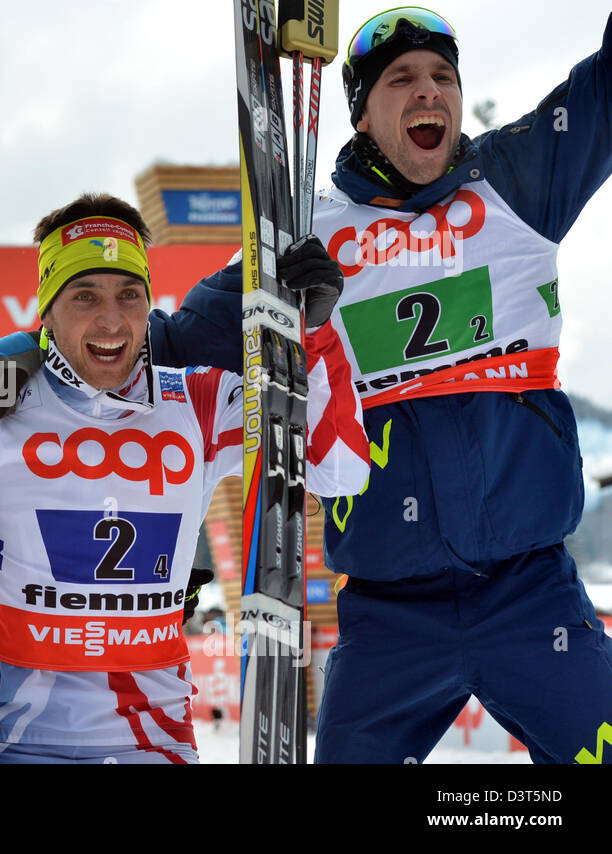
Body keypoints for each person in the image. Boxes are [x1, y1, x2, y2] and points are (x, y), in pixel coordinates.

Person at [153, 7, 612, 764]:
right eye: (401, 80)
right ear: (364, 115)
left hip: (533, 596)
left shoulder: (523, 180)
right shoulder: (307, 236)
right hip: (390, 619)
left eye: (442, 77)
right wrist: (23, 355)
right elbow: (163, 338)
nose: (427, 92)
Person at [0, 193, 368, 763]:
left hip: (157, 745)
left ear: (149, 303)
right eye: (84, 296)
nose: (111, 319)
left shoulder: (197, 401)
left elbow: (340, 470)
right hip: (22, 746)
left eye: (129, 295)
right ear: (46, 310)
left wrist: (315, 335)